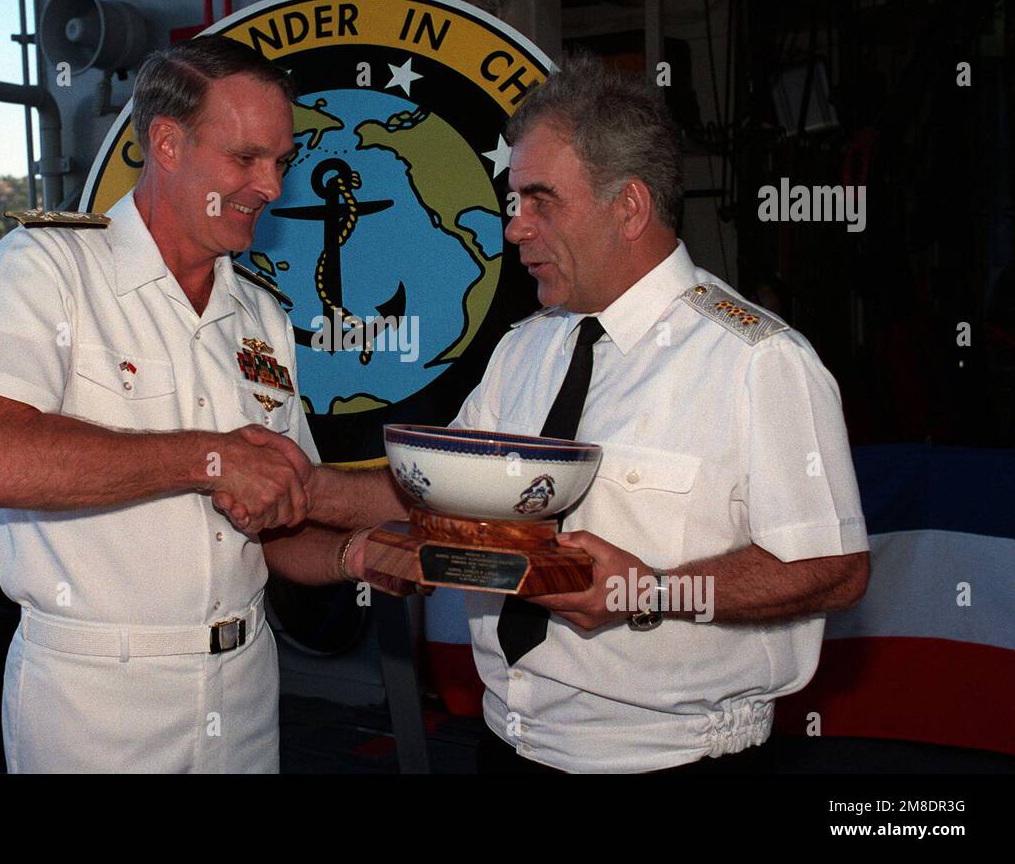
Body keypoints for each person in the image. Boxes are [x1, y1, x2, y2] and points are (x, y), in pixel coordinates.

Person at [316, 52, 871, 773]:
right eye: (516, 203)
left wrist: (652, 591)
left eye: (541, 201)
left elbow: (833, 568)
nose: (516, 230)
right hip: (507, 744)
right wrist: (309, 489)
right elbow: (431, 492)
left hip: (669, 760)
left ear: (630, 207)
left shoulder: (757, 362)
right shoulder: (523, 352)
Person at [0, 36, 371, 773]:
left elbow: (277, 519)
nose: (272, 184)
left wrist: (364, 554)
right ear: (166, 143)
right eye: (246, 158)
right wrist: (211, 458)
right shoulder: (50, 267)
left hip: (248, 690)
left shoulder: (261, 315)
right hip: (98, 699)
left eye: (282, 161)